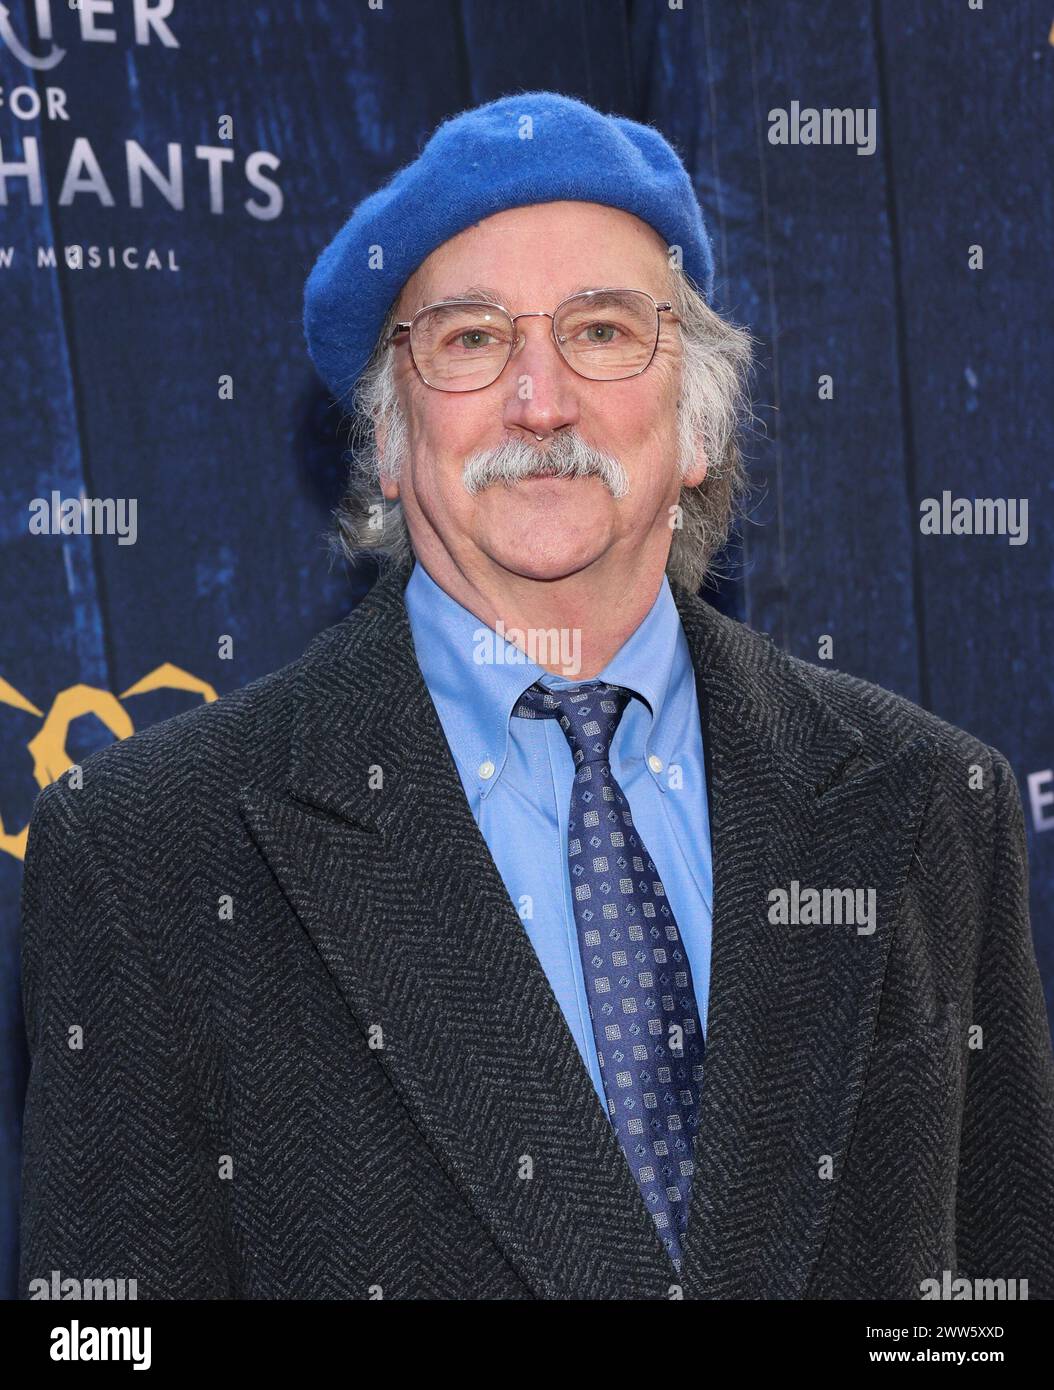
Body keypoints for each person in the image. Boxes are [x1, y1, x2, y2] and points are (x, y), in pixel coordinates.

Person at [19, 91, 1053, 1300]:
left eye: (604, 330)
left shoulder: (931, 800)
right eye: (468, 340)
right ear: (394, 442)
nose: (541, 399)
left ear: (697, 420)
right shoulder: (149, 851)